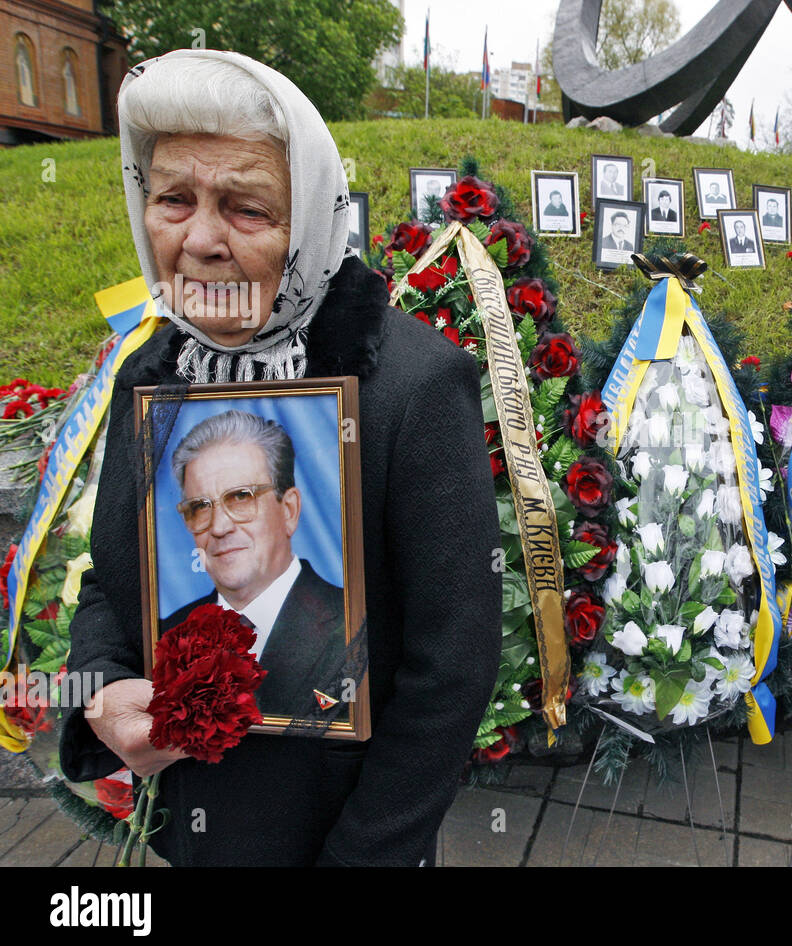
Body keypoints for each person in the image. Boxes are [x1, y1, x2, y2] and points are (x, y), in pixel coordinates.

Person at [59, 50, 502, 866]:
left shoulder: (412, 383)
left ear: (310, 215)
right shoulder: (148, 374)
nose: (199, 241)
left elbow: (453, 664)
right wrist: (103, 688)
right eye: (173, 200)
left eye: (247, 209)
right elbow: (110, 580)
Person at [161, 410, 347, 719]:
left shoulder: (354, 623)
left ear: (288, 510)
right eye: (200, 507)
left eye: (240, 498)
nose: (219, 527)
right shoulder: (167, 635)